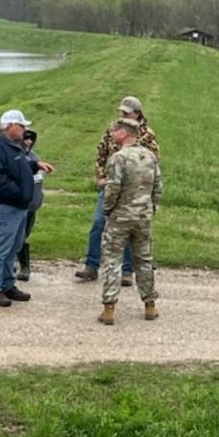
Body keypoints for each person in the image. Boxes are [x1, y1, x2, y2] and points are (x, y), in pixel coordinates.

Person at [76, 95, 159, 285]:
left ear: (137, 114)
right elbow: (101, 152)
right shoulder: (113, 129)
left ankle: (127, 271)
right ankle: (91, 265)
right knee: (99, 223)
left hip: (133, 190)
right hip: (110, 185)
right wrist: (100, 176)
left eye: (126, 112)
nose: (122, 114)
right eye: (121, 112)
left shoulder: (147, 135)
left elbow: (154, 163)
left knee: (129, 228)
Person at [0, 109, 54, 307]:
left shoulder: (14, 147)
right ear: (10, 126)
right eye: (21, 126)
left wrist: (35, 166)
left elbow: (19, 168)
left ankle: (7, 284)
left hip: (19, 206)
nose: (24, 129)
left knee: (14, 247)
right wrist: (20, 192)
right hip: (7, 206)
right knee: (2, 247)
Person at [97, 117, 162, 325]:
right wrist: (152, 209)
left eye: (115, 131)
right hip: (143, 217)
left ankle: (109, 309)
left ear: (124, 133)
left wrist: (107, 209)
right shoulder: (150, 157)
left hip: (120, 217)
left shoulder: (118, 158)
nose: (112, 134)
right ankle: (150, 306)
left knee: (112, 260)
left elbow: (113, 188)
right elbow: (157, 187)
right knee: (144, 260)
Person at [15, 128, 47, 282]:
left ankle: (17, 262)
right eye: (25, 138)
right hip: (18, 204)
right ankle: (23, 266)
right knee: (18, 235)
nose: (28, 142)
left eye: (31, 139)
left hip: (32, 206)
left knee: (24, 234)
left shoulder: (35, 158)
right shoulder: (16, 157)